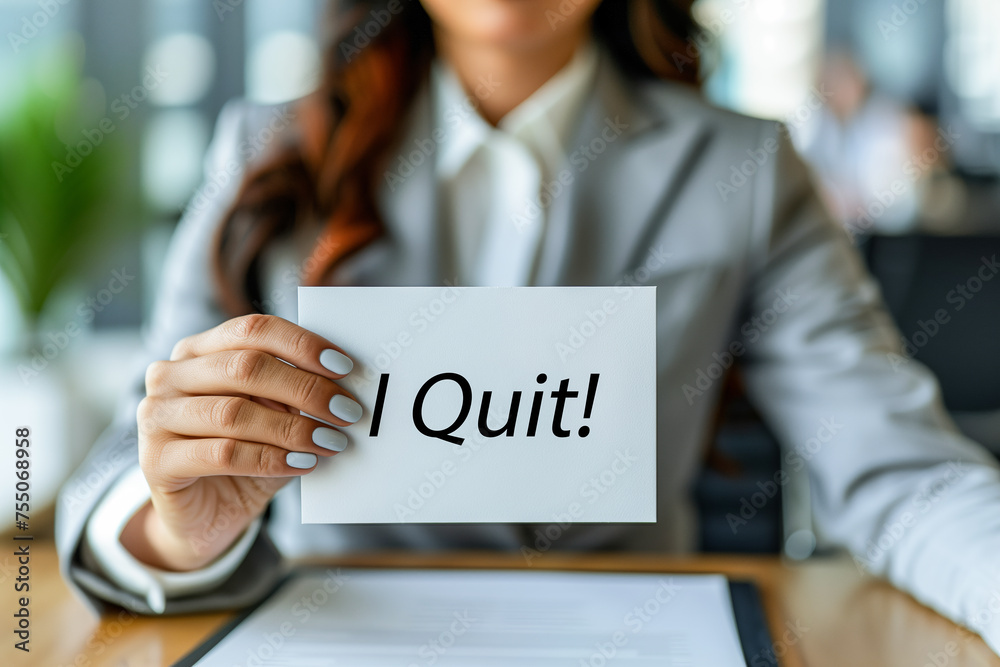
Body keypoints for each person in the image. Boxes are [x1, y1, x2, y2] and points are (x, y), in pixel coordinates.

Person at [57, 0, 1000, 653]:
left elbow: (900, 473)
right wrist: (178, 531)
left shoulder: (745, 166)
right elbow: (121, 472)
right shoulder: (269, 150)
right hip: (330, 639)